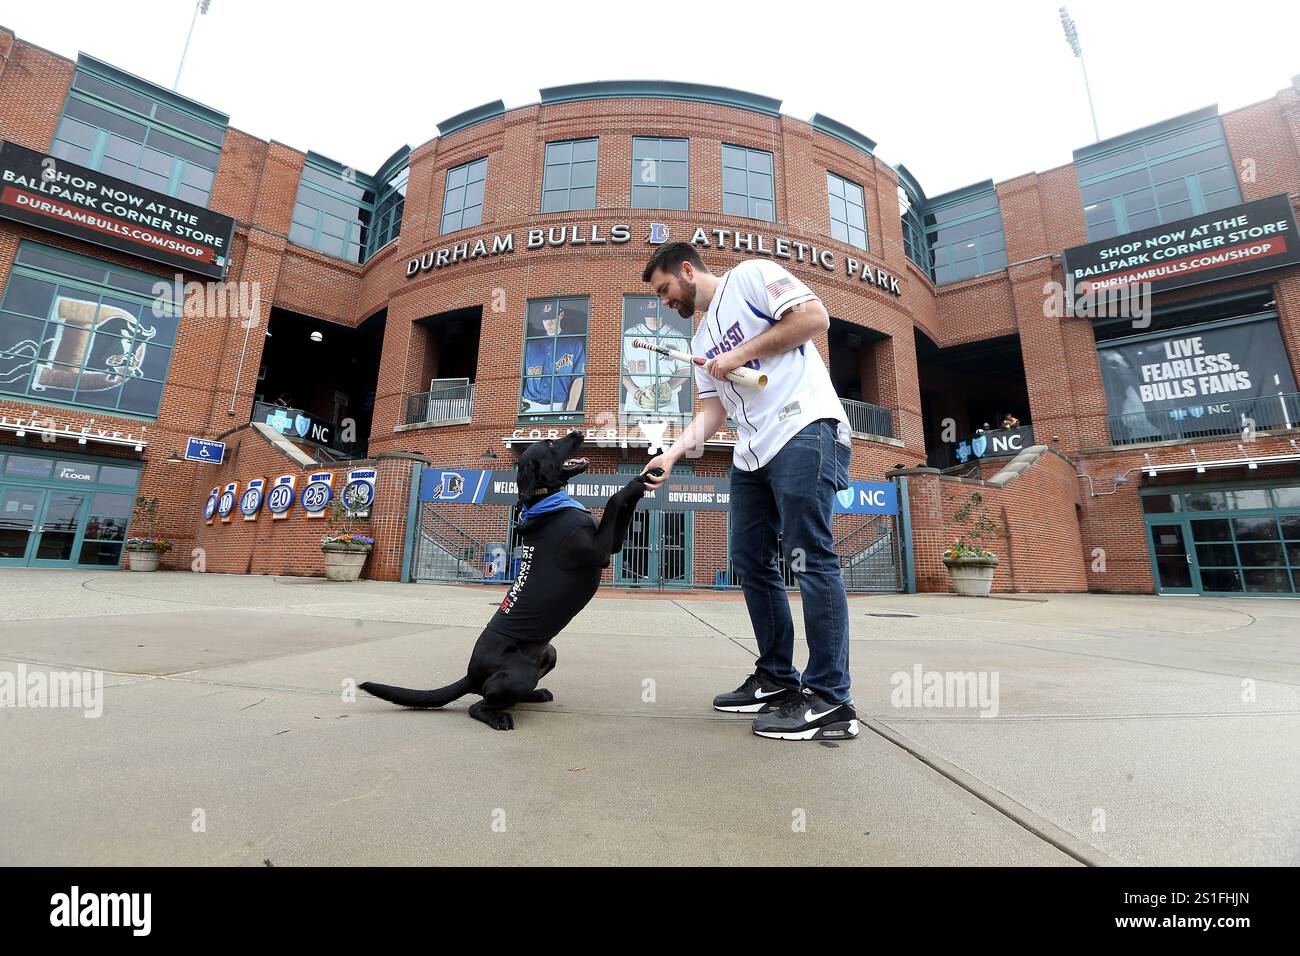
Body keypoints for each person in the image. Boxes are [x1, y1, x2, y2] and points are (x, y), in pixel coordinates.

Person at [640, 242, 857, 741]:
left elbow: (814, 317)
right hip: (752, 452)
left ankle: (831, 699)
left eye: (665, 289)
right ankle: (779, 679)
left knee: (809, 556)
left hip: (802, 429)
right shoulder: (700, 338)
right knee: (749, 558)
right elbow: (712, 412)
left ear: (687, 271)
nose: (665, 301)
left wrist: (739, 353)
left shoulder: (752, 276)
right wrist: (672, 455)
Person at [622, 301, 691, 417]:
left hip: (669, 403)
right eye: (649, 309)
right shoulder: (629, 335)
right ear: (642, 311)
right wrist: (635, 392)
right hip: (636, 403)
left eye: (655, 309)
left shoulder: (677, 336)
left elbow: (686, 369)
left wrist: (669, 387)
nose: (652, 314)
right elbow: (621, 369)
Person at [521, 304, 586, 414]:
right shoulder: (531, 344)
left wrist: (570, 410)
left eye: (552, 317)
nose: (549, 323)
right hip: (529, 405)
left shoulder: (574, 344)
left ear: (561, 315)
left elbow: (578, 379)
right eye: (545, 319)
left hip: (558, 406)